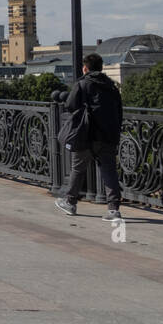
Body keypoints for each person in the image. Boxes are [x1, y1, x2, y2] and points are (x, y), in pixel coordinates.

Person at [56, 53, 124, 222]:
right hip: (107, 135)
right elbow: (119, 111)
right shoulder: (112, 86)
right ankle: (113, 210)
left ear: (85, 68)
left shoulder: (82, 84)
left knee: (78, 169)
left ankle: (70, 202)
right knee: (109, 171)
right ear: (101, 68)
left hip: (86, 134)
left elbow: (70, 105)